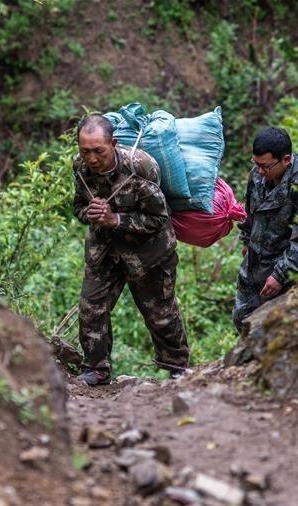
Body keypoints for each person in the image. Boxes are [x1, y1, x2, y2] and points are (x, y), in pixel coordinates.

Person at [72, 114, 190, 385]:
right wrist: (89, 214)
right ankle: (96, 369)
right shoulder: (80, 167)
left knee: (160, 314)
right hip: (105, 251)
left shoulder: (140, 169)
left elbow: (159, 218)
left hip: (148, 254)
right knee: (91, 308)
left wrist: (116, 220)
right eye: (85, 151)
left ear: (113, 144)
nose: (91, 159)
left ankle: (178, 368)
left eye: (98, 151)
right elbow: (78, 205)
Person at [233, 127, 298, 331]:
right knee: (242, 320)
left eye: (265, 166)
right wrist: (246, 241)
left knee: (273, 326)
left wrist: (280, 275)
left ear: (286, 159)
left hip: (286, 266)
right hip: (255, 262)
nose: (259, 171)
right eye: (255, 164)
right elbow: (250, 211)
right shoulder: (257, 176)